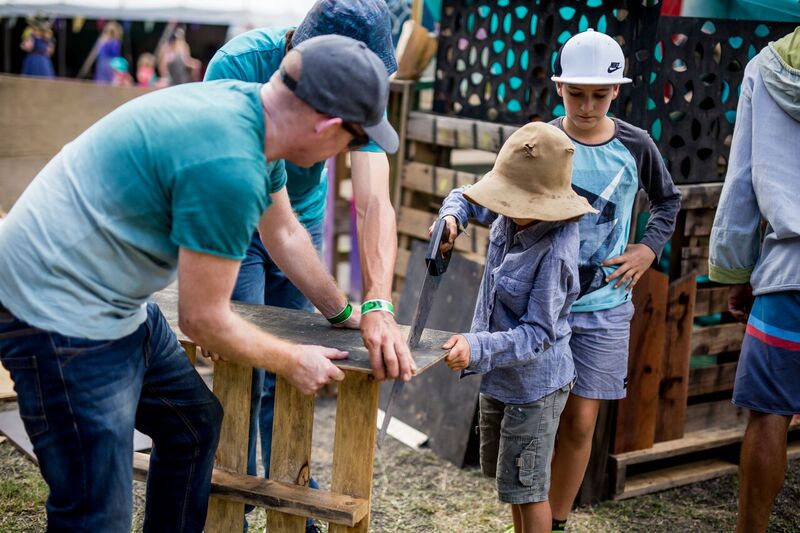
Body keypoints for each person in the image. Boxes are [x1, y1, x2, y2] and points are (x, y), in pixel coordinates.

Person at [0, 34, 397, 532]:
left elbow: (286, 232)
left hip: (114, 300)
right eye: (357, 140)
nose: (351, 151)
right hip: (55, 313)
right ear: (328, 125)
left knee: (191, 425)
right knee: (95, 512)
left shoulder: (254, 116)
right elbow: (204, 319)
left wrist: (342, 313)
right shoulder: (230, 167)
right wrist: (293, 359)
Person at [203, 1, 414, 520]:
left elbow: (373, 202)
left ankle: (288, 485)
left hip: (297, 222)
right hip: (240, 219)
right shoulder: (237, 67)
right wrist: (341, 309)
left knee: (296, 364)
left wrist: (377, 305)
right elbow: (244, 208)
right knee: (244, 363)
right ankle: (237, 492)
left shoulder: (355, 80)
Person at [545, 29, 681, 532]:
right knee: (540, 420)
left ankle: (557, 520)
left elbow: (668, 200)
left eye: (598, 95)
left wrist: (647, 247)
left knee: (581, 422)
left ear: (617, 91)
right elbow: (503, 197)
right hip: (545, 304)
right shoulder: (541, 138)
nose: (586, 105)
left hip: (605, 304)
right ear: (558, 87)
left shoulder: (635, 144)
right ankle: (530, 514)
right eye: (575, 93)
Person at [437, 122, 597, 533]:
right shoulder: (515, 210)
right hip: (501, 377)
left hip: (535, 386)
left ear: (542, 203)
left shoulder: (557, 252)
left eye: (510, 200)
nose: (502, 206)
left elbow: (538, 335)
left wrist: (476, 348)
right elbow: (466, 198)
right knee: (512, 486)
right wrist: (452, 218)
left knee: (530, 489)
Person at [708, 26, 800, 533]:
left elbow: (740, 183)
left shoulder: (765, 68)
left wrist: (738, 271)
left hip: (786, 274)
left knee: (769, 414)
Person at [20, 14, 55, 78]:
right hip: (34, 60)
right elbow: (28, 47)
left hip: (42, 60)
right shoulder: (30, 32)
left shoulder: (47, 33)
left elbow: (50, 51)